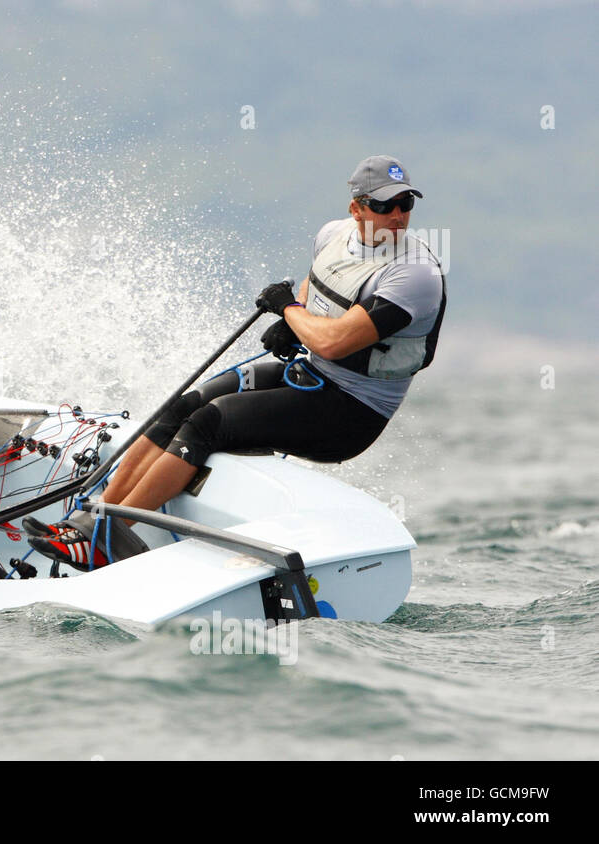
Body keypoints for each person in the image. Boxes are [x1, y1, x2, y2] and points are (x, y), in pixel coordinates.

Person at [28, 155, 447, 568]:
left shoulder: (415, 275)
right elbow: (316, 283)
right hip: (312, 377)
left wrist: (288, 313)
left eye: (405, 204)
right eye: (383, 205)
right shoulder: (332, 236)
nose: (397, 215)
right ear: (356, 209)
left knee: (212, 420)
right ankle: (87, 523)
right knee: (183, 406)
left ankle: (106, 539)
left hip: (352, 413)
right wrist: (298, 311)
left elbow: (334, 342)